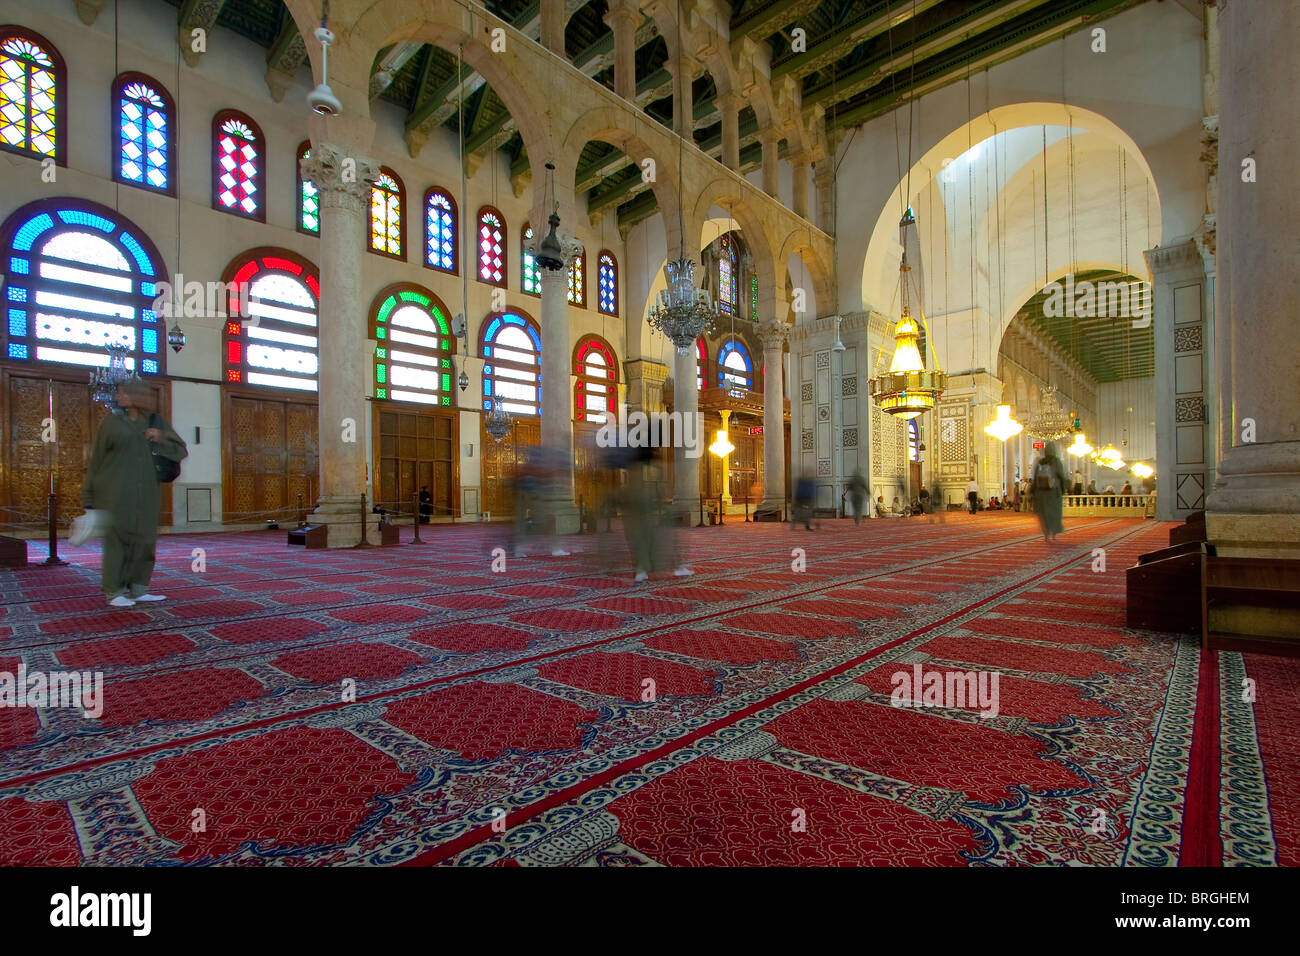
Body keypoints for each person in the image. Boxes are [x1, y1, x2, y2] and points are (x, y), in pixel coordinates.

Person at [80, 380, 188, 607]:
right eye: (118, 394)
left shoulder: (156, 422)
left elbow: (180, 450)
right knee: (117, 541)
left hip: (147, 492)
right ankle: (114, 590)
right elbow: (96, 460)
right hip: (114, 492)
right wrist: (88, 498)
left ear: (137, 396)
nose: (118, 398)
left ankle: (139, 588)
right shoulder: (111, 423)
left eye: (123, 394)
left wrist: (161, 437)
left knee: (145, 539)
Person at [1032, 440, 1068, 543]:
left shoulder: (1040, 461)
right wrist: (1063, 489)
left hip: (1041, 493)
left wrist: (1033, 491)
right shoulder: (1056, 461)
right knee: (1054, 514)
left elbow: (1035, 477)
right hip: (1053, 492)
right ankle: (1054, 535)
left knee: (1044, 514)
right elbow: (1061, 476)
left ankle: (1046, 535)